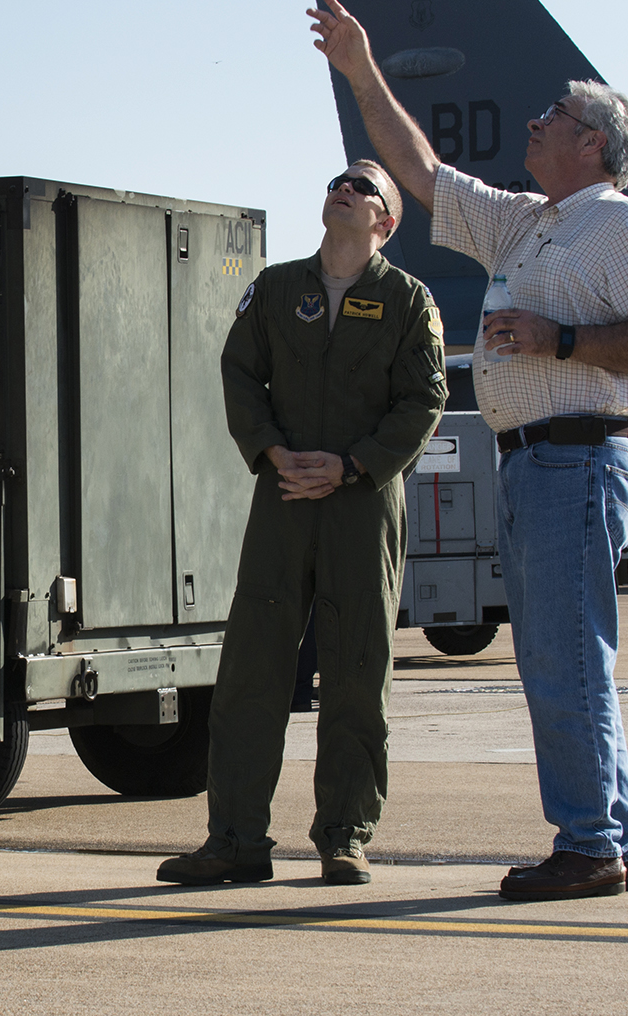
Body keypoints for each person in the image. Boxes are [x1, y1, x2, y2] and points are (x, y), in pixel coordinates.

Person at [307, 0, 628, 900]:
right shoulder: (529, 221)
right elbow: (422, 170)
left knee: (564, 656)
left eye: (552, 118)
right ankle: (611, 838)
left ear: (592, 144)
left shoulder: (622, 224)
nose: (534, 122)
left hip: (580, 458)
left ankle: (589, 844)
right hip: (534, 462)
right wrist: (362, 70)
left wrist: (560, 339)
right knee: (564, 654)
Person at [157, 159, 448, 887]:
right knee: (252, 670)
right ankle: (234, 841)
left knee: (356, 671)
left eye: (363, 189)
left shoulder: (410, 301)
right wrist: (270, 451)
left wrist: (352, 466)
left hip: (361, 502)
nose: (344, 190)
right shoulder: (278, 290)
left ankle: (345, 835)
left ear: (386, 222)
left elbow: (423, 402)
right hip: (284, 496)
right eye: (336, 183)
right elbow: (238, 372)